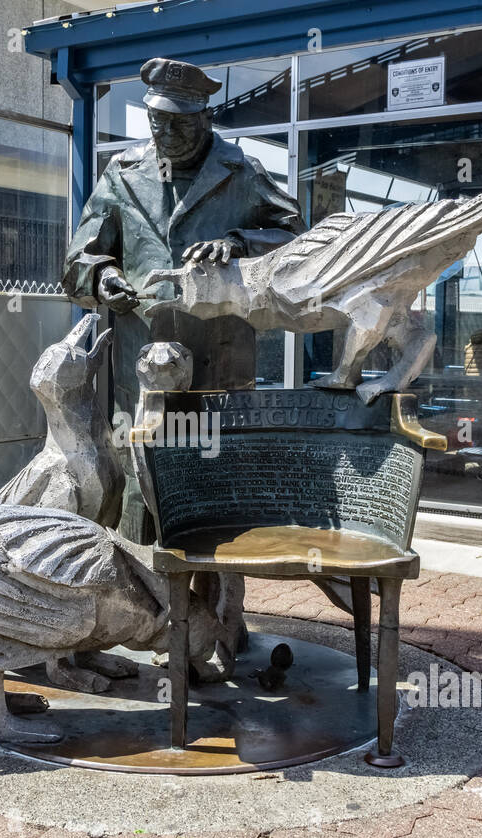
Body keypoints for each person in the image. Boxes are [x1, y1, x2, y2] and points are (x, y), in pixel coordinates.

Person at [62, 57, 302, 539]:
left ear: (207, 117)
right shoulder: (122, 173)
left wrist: (238, 242)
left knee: (217, 475)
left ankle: (216, 606)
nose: (167, 133)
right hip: (141, 354)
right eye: (158, 121)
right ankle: (140, 594)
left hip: (221, 355)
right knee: (140, 469)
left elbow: (296, 236)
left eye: (181, 122)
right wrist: (103, 276)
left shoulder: (240, 170)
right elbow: (77, 260)